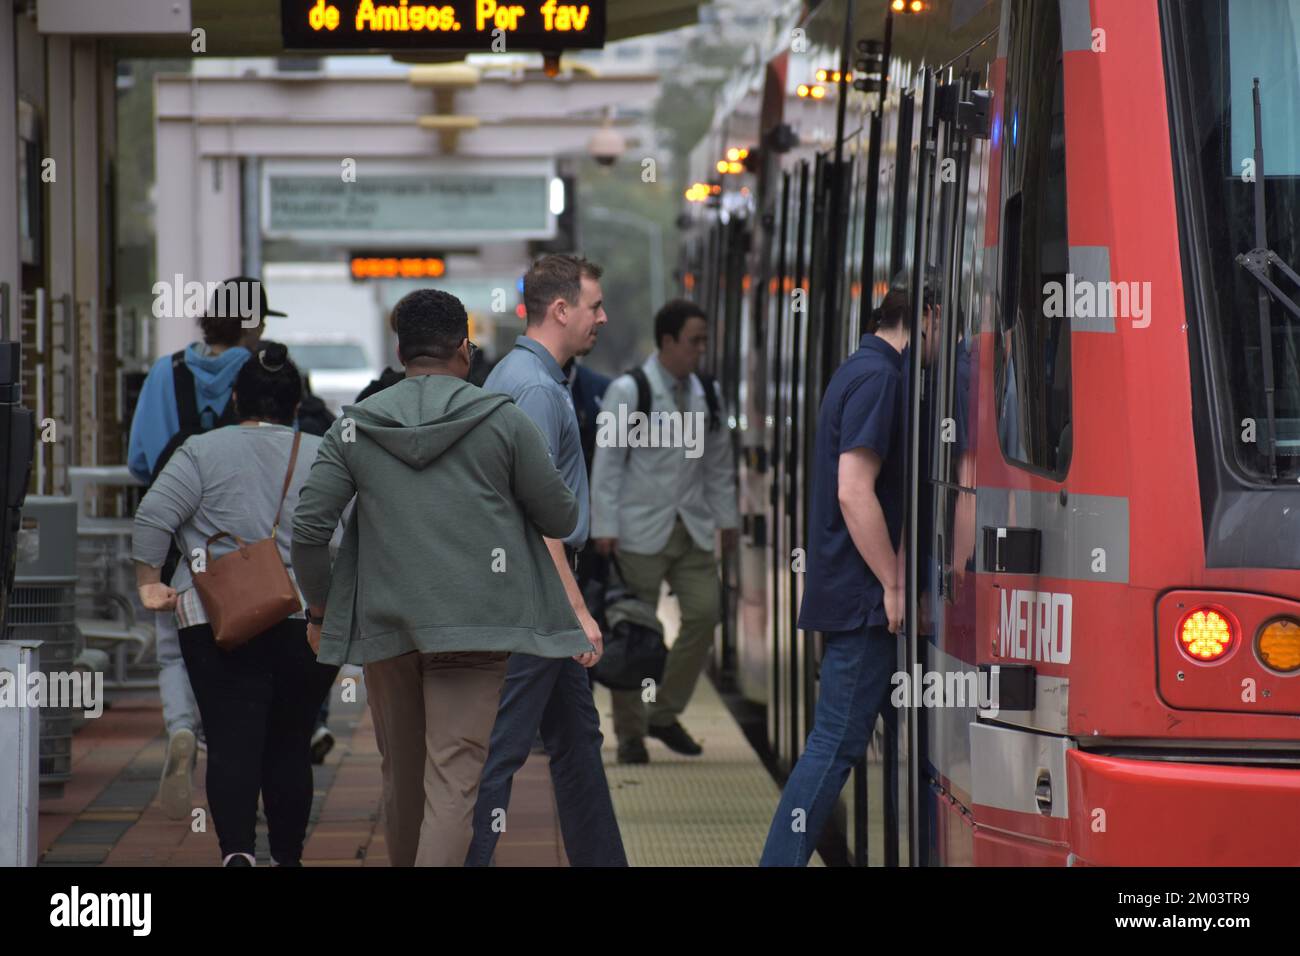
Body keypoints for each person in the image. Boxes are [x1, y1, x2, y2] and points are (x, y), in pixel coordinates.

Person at [291, 288, 591, 867]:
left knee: (401, 778)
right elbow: (562, 515)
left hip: (386, 627)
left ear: (401, 350)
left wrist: (322, 612)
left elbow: (309, 529)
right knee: (453, 781)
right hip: (476, 628)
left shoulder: (355, 428)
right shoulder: (502, 422)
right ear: (464, 350)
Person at [132, 343, 338, 866]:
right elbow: (353, 533)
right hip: (307, 619)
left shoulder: (201, 451)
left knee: (229, 740)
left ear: (236, 398)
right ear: (296, 406)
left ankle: (238, 854)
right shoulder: (323, 453)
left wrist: (149, 582)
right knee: (290, 743)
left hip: (213, 616)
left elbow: (153, 515)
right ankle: (286, 857)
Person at [758, 286, 931, 867]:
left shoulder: (857, 369)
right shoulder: (882, 379)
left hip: (858, 597)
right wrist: (894, 583)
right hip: (865, 603)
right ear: (926, 315)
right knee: (833, 745)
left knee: (906, 746)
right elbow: (854, 490)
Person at [466, 254, 627, 867]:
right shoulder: (535, 389)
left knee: (577, 741)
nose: (602, 318)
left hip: (533, 593)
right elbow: (535, 516)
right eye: (594, 306)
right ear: (560, 310)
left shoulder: (524, 376)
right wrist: (576, 609)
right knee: (499, 753)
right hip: (534, 597)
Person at [127, 276, 284, 821]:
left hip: (174, 534)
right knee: (245, 647)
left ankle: (180, 729)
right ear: (254, 324)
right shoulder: (260, 373)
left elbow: (141, 460)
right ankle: (238, 750)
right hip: (247, 542)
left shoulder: (165, 373)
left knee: (174, 646)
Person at [590, 299, 739, 764]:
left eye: (703, 341)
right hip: (636, 530)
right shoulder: (630, 390)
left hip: (690, 527)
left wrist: (727, 519)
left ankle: (664, 711)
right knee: (636, 631)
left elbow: (718, 466)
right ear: (668, 341)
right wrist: (605, 525)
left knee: (705, 612)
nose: (701, 349)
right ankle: (631, 735)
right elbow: (608, 463)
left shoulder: (707, 393)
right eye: (694, 340)